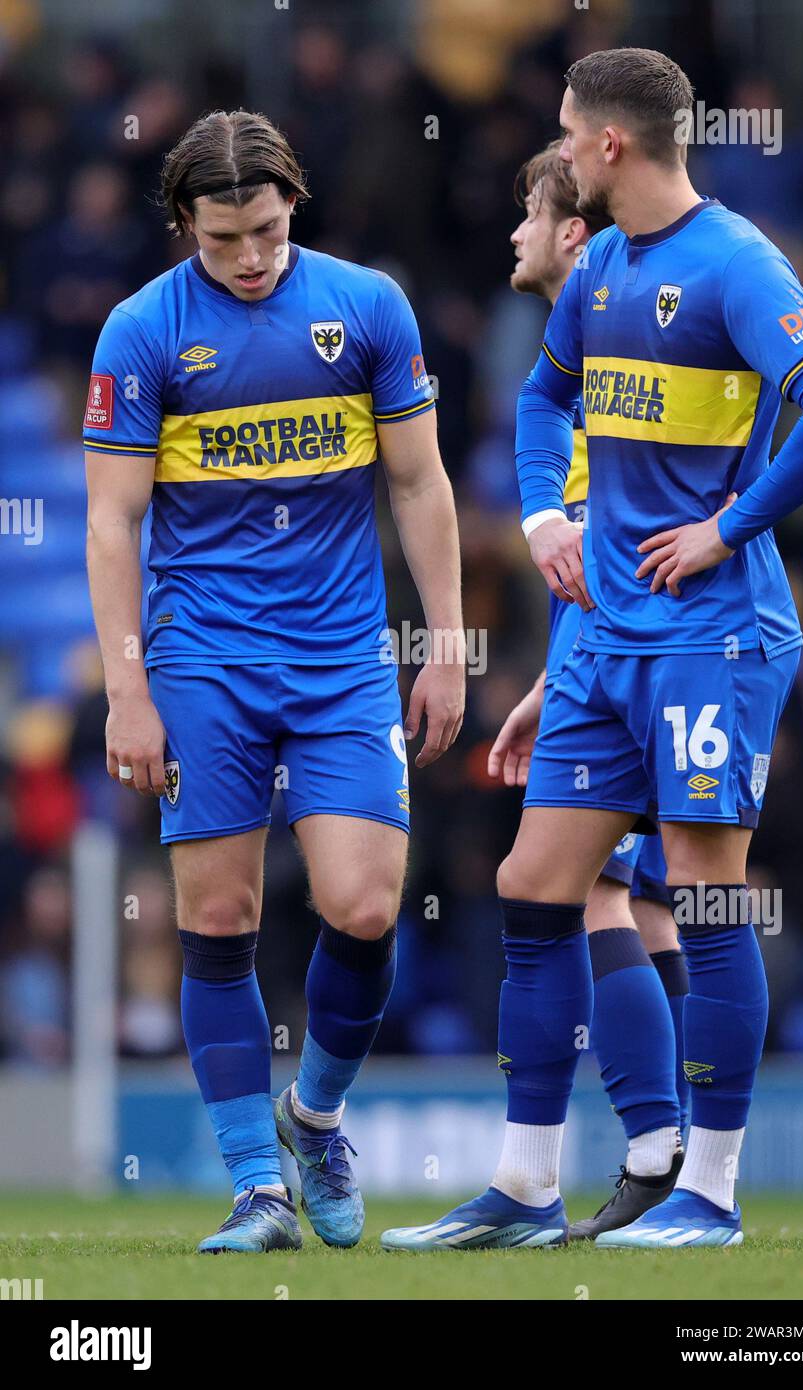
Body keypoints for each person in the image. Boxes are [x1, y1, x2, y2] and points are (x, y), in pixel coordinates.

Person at [384, 47, 803, 1251]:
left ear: (608, 145)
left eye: (563, 125)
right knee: (532, 887)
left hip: (711, 632)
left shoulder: (734, 263)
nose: (551, 138)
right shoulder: (598, 272)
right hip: (604, 641)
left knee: (703, 897)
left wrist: (726, 527)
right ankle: (527, 1187)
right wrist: (546, 514)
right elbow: (544, 402)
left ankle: (707, 1188)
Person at [84, 109, 464, 1253]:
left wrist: (444, 636)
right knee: (218, 915)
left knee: (362, 904)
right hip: (201, 654)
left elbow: (418, 480)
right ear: (182, 227)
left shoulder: (366, 306)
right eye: (220, 240)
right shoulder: (142, 331)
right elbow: (112, 520)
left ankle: (316, 1116)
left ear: (292, 203)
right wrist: (126, 689)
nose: (248, 258)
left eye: (263, 229)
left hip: (343, 656)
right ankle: (257, 1188)